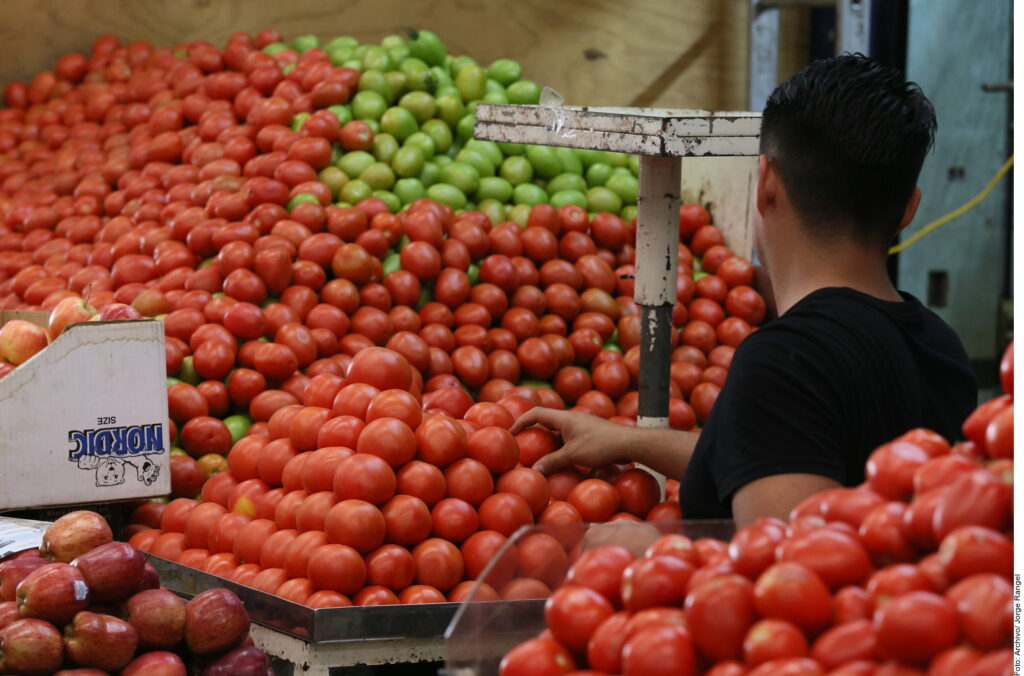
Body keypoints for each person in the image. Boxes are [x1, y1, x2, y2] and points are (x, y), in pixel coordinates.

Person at [509, 54, 977, 526]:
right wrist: (629, 439)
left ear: (766, 182)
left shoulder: (785, 361)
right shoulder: (942, 347)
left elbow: (786, 573)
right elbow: (794, 456)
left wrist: (654, 551)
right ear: (908, 209)